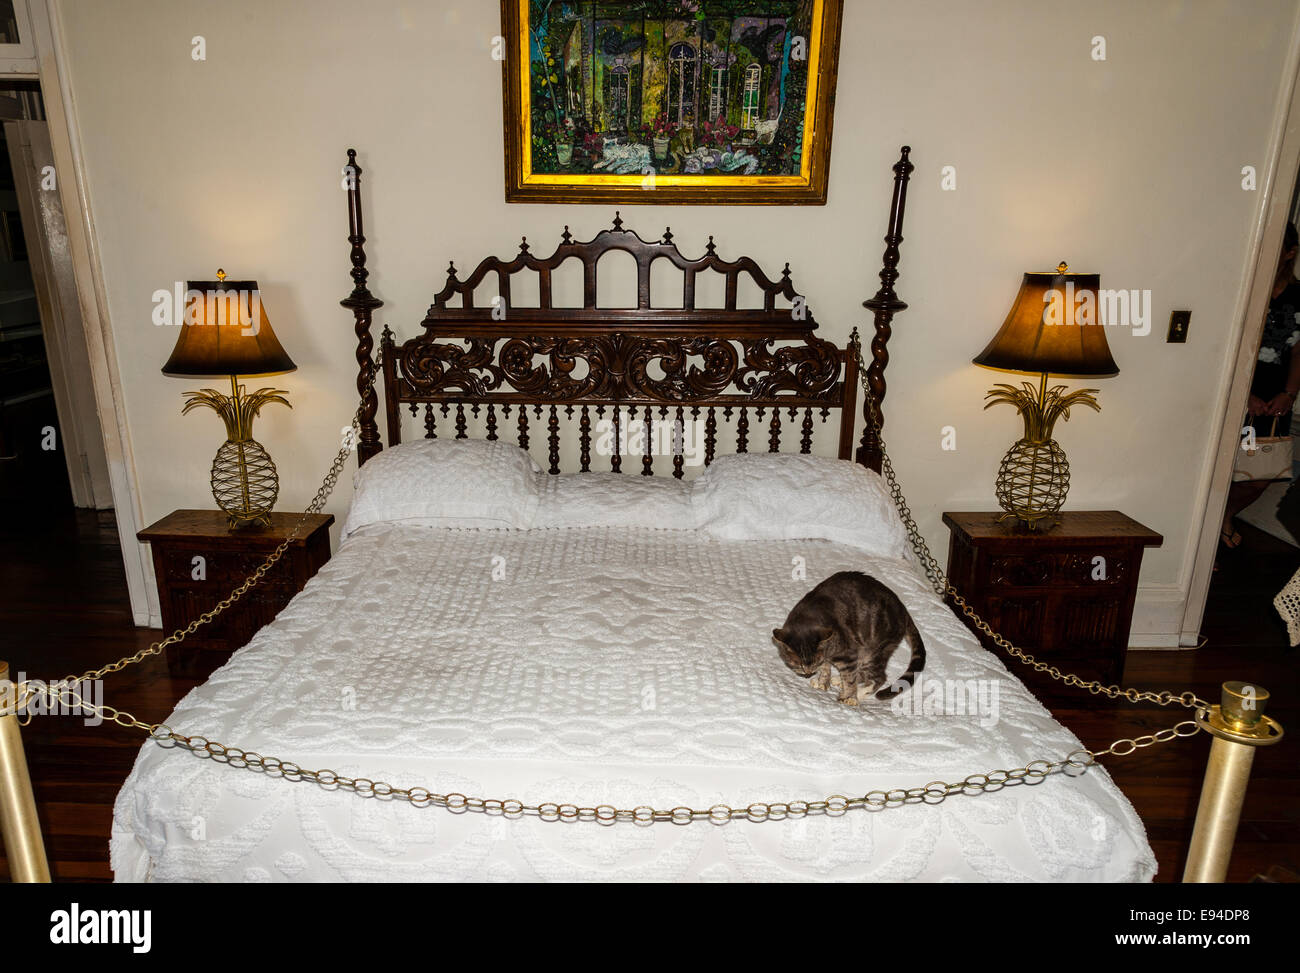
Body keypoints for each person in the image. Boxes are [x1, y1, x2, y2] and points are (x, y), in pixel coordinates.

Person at [1223, 222, 1300, 548]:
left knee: (1261, 474)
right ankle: (1202, 541)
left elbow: (1299, 349)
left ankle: (1221, 517)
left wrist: (1289, 393)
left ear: (1289, 254)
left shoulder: (1299, 296)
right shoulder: (1242, 289)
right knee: (1219, 468)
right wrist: (1243, 395)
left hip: (1274, 401)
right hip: (1230, 395)